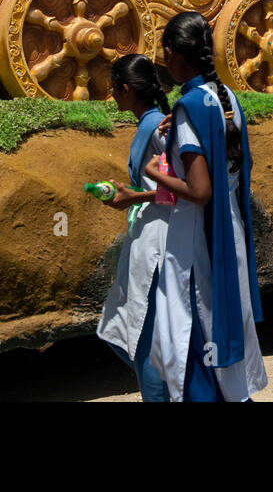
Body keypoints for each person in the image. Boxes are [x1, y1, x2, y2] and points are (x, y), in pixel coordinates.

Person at [148, 12, 265, 402]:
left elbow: (199, 191)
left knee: (192, 325)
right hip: (230, 224)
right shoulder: (226, 97)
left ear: (172, 54)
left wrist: (156, 172)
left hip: (198, 233)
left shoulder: (189, 107)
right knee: (228, 321)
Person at [96, 53, 173, 402]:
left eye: (113, 88)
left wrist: (134, 196)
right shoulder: (153, 123)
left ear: (125, 89)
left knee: (145, 328)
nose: (111, 95)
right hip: (148, 233)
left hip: (159, 238)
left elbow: (180, 188)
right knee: (132, 323)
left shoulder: (158, 127)